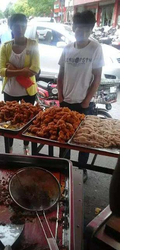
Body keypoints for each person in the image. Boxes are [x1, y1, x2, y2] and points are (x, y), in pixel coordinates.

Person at [57, 10, 105, 182]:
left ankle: (81, 169)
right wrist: (60, 97)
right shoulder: (68, 48)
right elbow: (61, 74)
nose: (82, 33)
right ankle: (65, 166)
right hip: (66, 102)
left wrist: (86, 101)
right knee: (64, 138)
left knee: (83, 141)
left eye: (86, 29)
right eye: (78, 29)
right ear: (74, 28)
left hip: (83, 104)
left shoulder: (95, 48)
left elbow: (97, 77)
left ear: (91, 29)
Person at [0, 13, 40, 155]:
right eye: (16, 26)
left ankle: (25, 147)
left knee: (27, 121)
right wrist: (23, 71)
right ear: (11, 27)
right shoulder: (5, 46)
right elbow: (1, 71)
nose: (20, 29)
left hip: (28, 91)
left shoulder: (33, 44)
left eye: (23, 25)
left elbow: (34, 70)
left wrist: (13, 70)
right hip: (9, 92)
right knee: (9, 122)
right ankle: (9, 149)